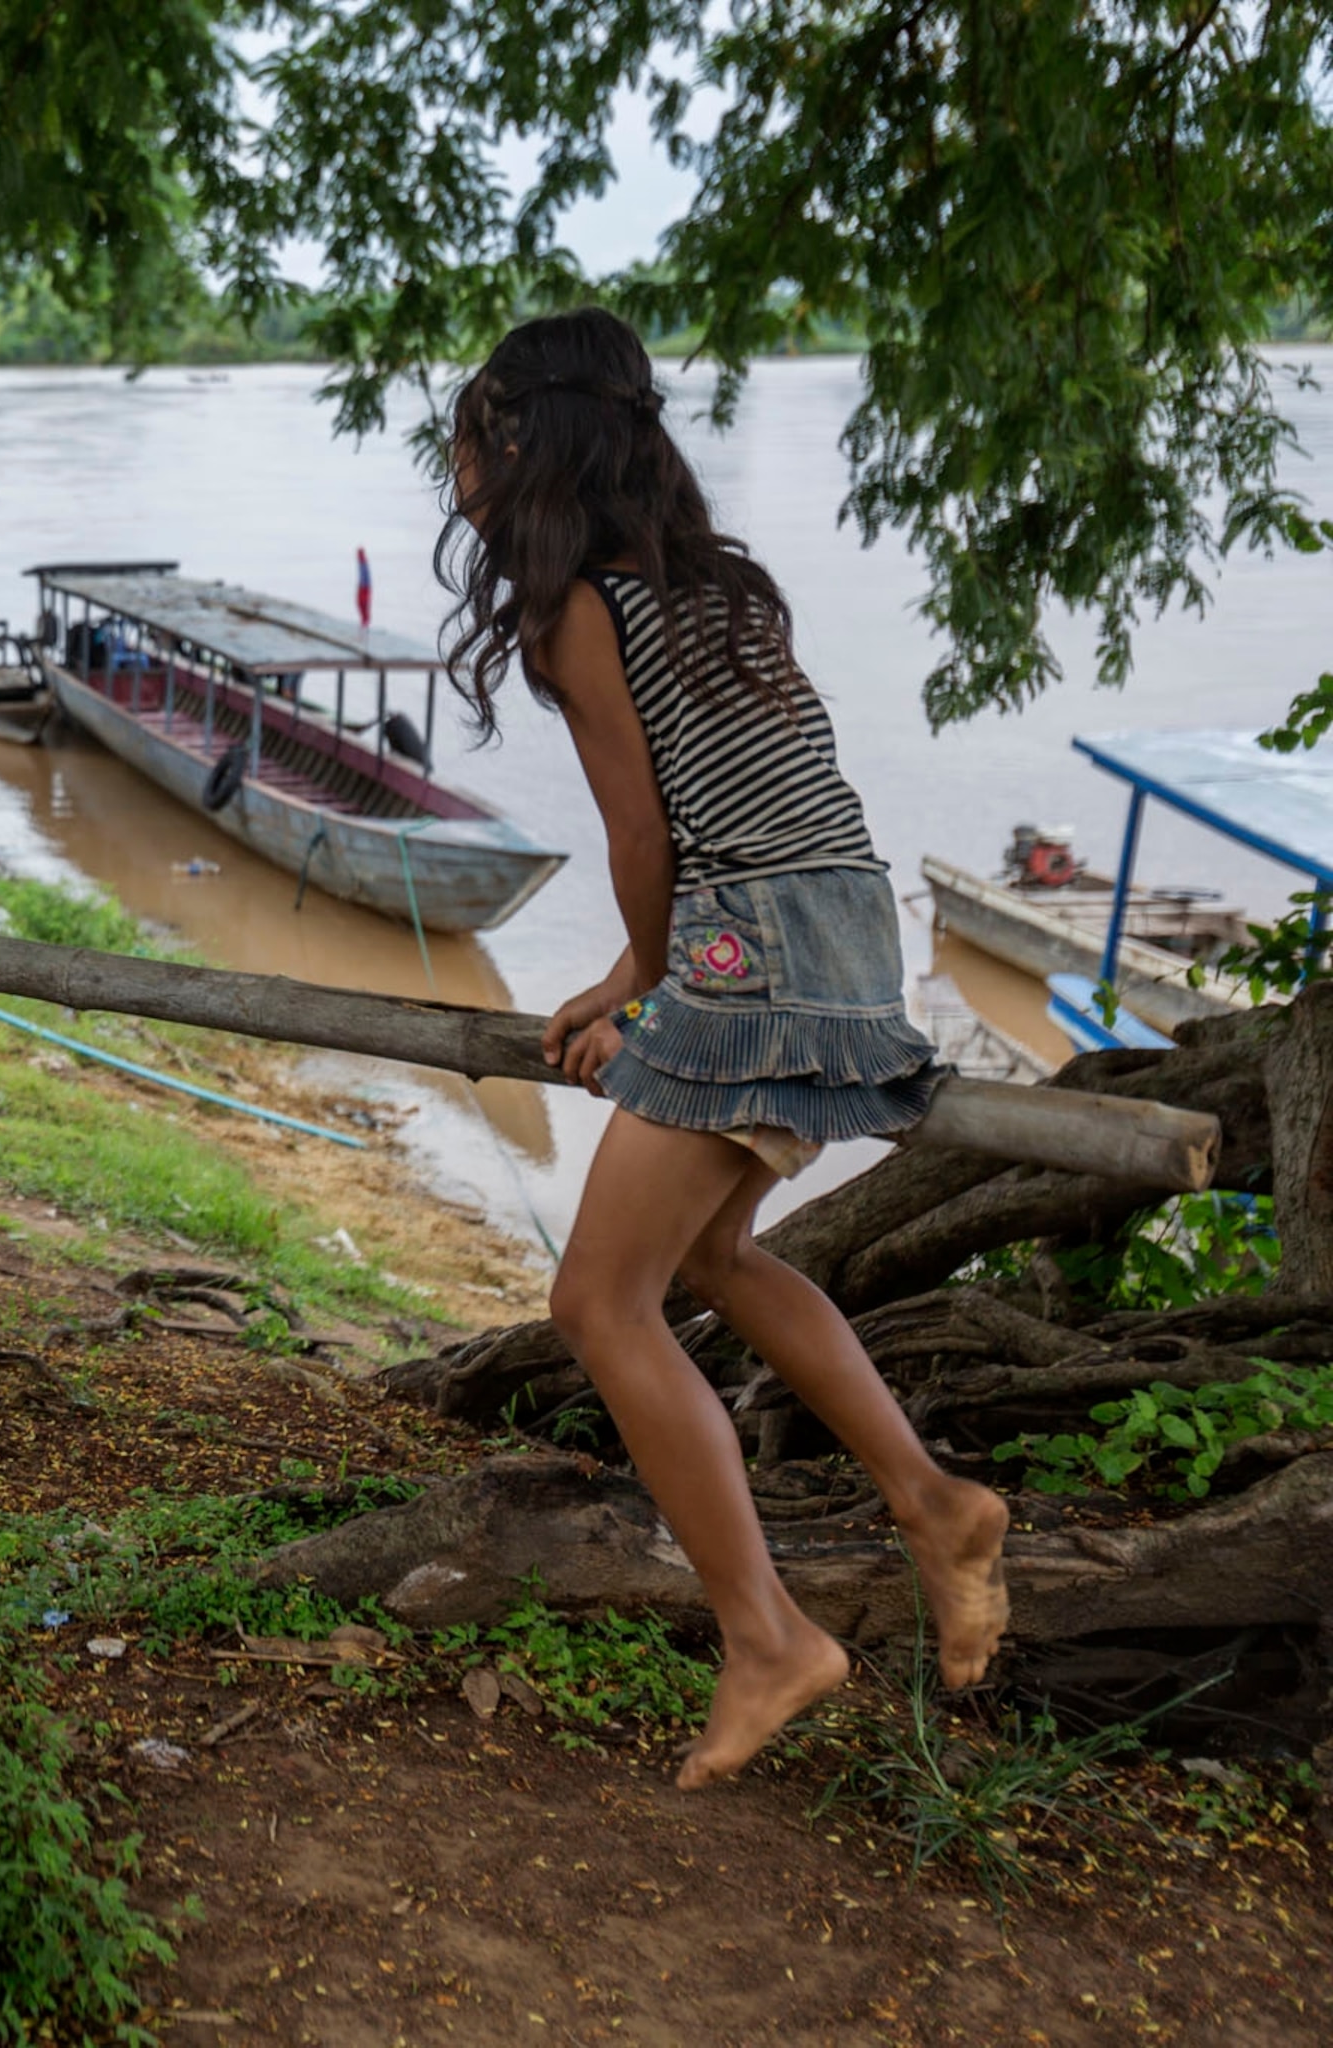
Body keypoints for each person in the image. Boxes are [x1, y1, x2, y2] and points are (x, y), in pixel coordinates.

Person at [443, 307, 1008, 1789]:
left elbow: (644, 833)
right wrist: (651, 975)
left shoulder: (578, 608)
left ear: (519, 446)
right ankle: (934, 1505)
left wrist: (639, 981)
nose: (451, 468)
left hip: (745, 946)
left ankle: (768, 1638)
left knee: (597, 1302)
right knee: (713, 1260)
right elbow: (753, 802)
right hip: (842, 932)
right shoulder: (722, 588)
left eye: (463, 436)